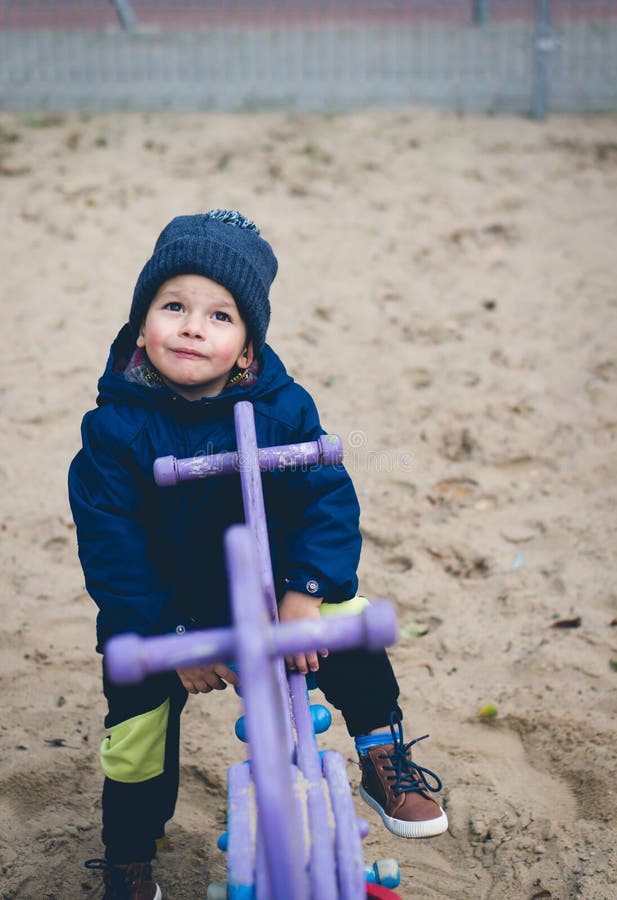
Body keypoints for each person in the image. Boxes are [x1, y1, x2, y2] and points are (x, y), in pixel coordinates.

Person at [69, 209, 447, 900]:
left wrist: (306, 591)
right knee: (135, 733)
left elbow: (326, 501)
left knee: (354, 624)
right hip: (163, 610)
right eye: (173, 307)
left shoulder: (283, 411)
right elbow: (111, 550)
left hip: (276, 592)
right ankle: (129, 853)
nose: (192, 327)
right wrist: (171, 635)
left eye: (219, 316)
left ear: (247, 349)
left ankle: (380, 752)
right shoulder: (113, 430)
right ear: (141, 326)